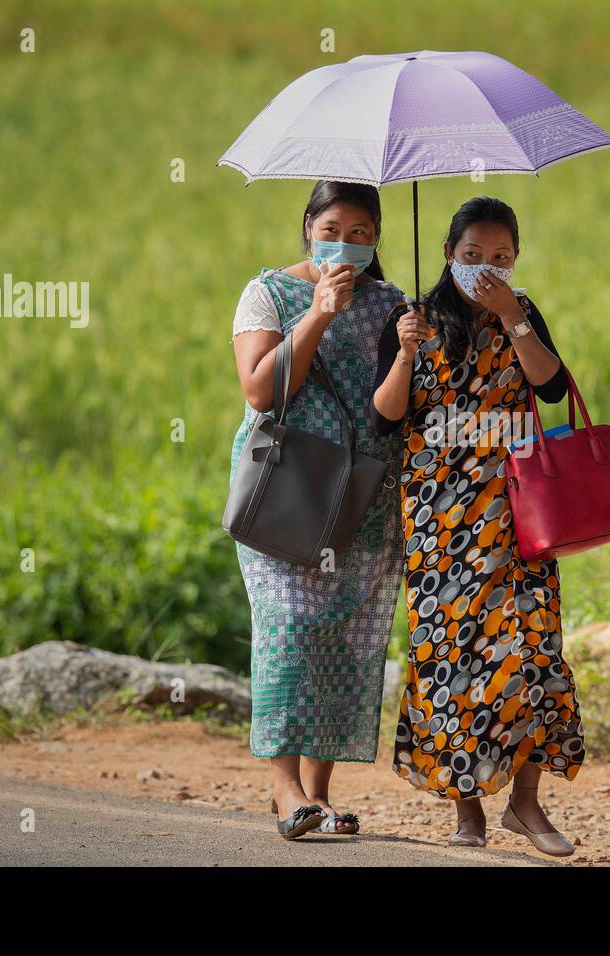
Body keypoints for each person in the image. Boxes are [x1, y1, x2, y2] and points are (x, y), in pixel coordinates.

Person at [371, 196, 583, 856]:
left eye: (500, 259)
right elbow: (384, 418)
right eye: (472, 257)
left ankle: (526, 804)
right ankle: (468, 817)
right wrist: (404, 354)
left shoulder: (520, 312)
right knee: (452, 660)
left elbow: (551, 388)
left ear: (515, 260)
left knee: (531, 654)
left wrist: (514, 316)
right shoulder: (410, 321)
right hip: (439, 519)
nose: (486, 269)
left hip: (519, 512)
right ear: (446, 254)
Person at [229, 180, 405, 839]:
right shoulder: (270, 292)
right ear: (308, 227)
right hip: (286, 485)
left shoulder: (392, 304)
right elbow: (260, 390)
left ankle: (321, 795)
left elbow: (397, 405)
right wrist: (320, 313)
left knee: (348, 637)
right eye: (333, 229)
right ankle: (285, 791)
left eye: (363, 233)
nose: (347, 243)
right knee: (288, 630)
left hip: (363, 494)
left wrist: (415, 345)